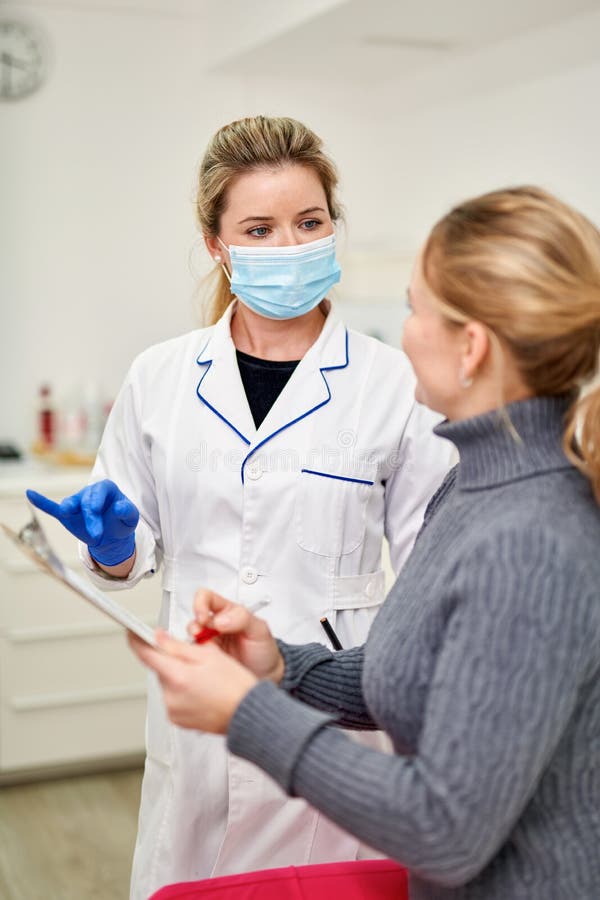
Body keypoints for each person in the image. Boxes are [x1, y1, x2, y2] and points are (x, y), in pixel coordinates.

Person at [129, 185, 600, 900]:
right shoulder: (476, 485)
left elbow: (444, 828)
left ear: (470, 347)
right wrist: (280, 666)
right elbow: (421, 671)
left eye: (415, 309)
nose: (402, 332)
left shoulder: (529, 537)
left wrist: (246, 714)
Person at [26, 116, 452, 899]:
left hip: (337, 703)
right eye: (260, 228)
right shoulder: (159, 377)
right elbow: (121, 564)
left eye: (309, 222)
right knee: (192, 876)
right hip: (197, 690)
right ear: (217, 243)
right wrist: (115, 543)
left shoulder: (395, 383)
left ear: (333, 227)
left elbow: (435, 578)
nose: (290, 247)